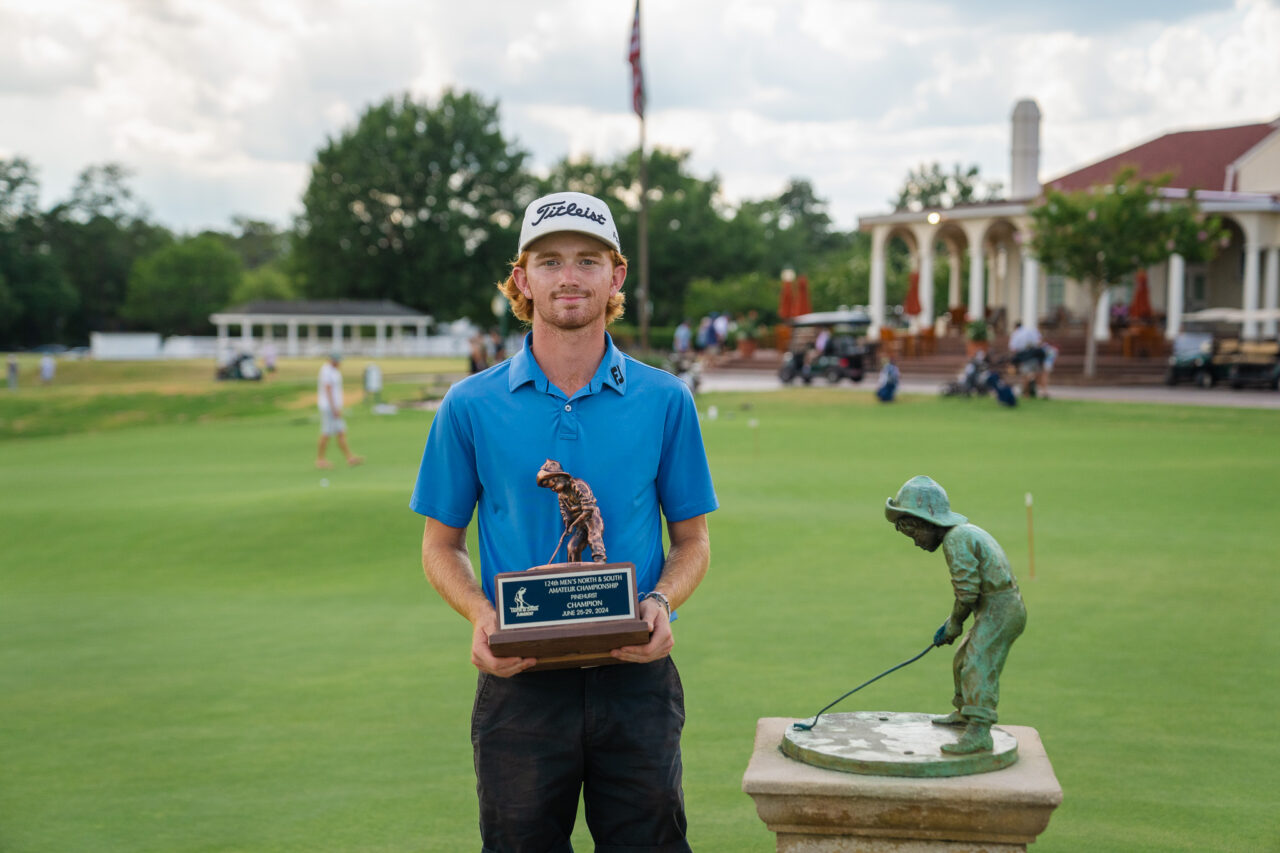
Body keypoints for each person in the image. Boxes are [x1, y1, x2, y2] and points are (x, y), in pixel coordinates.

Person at [410, 190, 717, 852]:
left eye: (587, 259)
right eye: (549, 261)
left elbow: (692, 540)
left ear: (616, 275)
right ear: (522, 278)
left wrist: (662, 600)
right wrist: (477, 612)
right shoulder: (468, 404)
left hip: (635, 674)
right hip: (518, 678)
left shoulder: (666, 399)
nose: (569, 276)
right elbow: (440, 545)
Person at [885, 476, 1026, 755]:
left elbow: (967, 594)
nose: (915, 543)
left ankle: (979, 732)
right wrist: (953, 623)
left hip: (1001, 609)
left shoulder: (956, 539)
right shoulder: (962, 533)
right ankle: (964, 712)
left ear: (927, 523)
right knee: (963, 657)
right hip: (995, 608)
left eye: (914, 534)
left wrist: (955, 623)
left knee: (977, 663)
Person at [315, 352, 364, 469]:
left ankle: (349, 457)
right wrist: (334, 408)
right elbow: (328, 390)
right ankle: (320, 460)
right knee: (326, 433)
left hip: (334, 407)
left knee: (341, 431)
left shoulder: (334, 371)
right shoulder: (326, 371)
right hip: (329, 407)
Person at [1008, 321, 1045, 397]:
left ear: (1016, 327)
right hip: (1035, 358)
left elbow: (1013, 348)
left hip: (1025, 359)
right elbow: (1039, 342)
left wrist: (1014, 361)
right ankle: (1042, 392)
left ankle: (1026, 394)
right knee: (1037, 375)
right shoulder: (1031, 331)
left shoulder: (1016, 334)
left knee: (1025, 377)